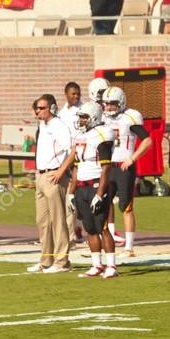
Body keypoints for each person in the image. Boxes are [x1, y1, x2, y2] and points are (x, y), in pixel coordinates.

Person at [67, 102, 117, 278]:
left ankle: (111, 265)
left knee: (102, 226)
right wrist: (71, 192)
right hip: (81, 186)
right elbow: (76, 166)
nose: (81, 120)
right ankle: (97, 264)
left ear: (94, 117)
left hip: (96, 184)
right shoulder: (82, 136)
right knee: (89, 228)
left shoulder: (103, 134)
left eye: (84, 117)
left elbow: (106, 168)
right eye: (80, 117)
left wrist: (100, 193)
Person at [101, 86, 151, 258]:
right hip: (108, 166)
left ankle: (129, 247)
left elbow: (147, 140)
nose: (107, 107)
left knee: (126, 206)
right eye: (106, 104)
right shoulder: (102, 118)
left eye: (112, 104)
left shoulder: (130, 117)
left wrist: (132, 158)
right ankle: (109, 240)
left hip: (124, 165)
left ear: (120, 102)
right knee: (104, 204)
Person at [28, 94, 73, 274]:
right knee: (43, 221)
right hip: (41, 176)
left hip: (53, 176)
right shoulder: (42, 125)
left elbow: (72, 151)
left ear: (52, 108)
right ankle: (46, 259)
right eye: (37, 108)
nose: (38, 111)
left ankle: (62, 261)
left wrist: (61, 171)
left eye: (42, 108)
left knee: (58, 220)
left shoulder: (59, 126)